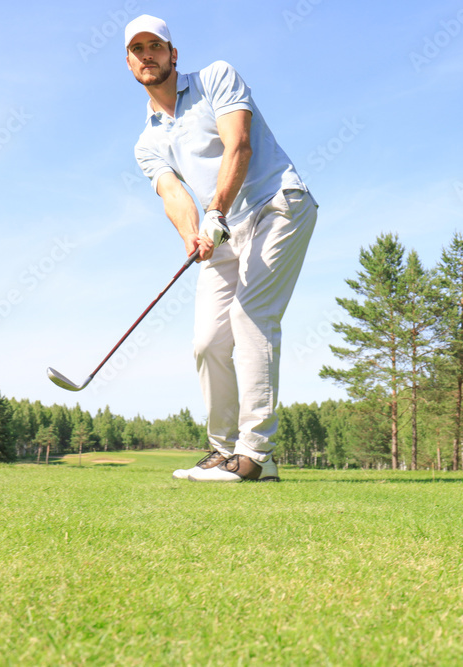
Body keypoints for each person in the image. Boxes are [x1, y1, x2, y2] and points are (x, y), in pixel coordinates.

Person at [125, 15, 316, 482]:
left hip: (275, 205)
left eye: (156, 45)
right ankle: (223, 450)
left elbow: (240, 147)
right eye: (138, 49)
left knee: (250, 319)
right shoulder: (147, 141)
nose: (147, 54)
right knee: (208, 341)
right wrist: (194, 235)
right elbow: (173, 194)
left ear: (174, 53)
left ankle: (256, 455)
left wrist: (214, 213)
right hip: (224, 229)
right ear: (129, 62)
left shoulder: (216, 78)